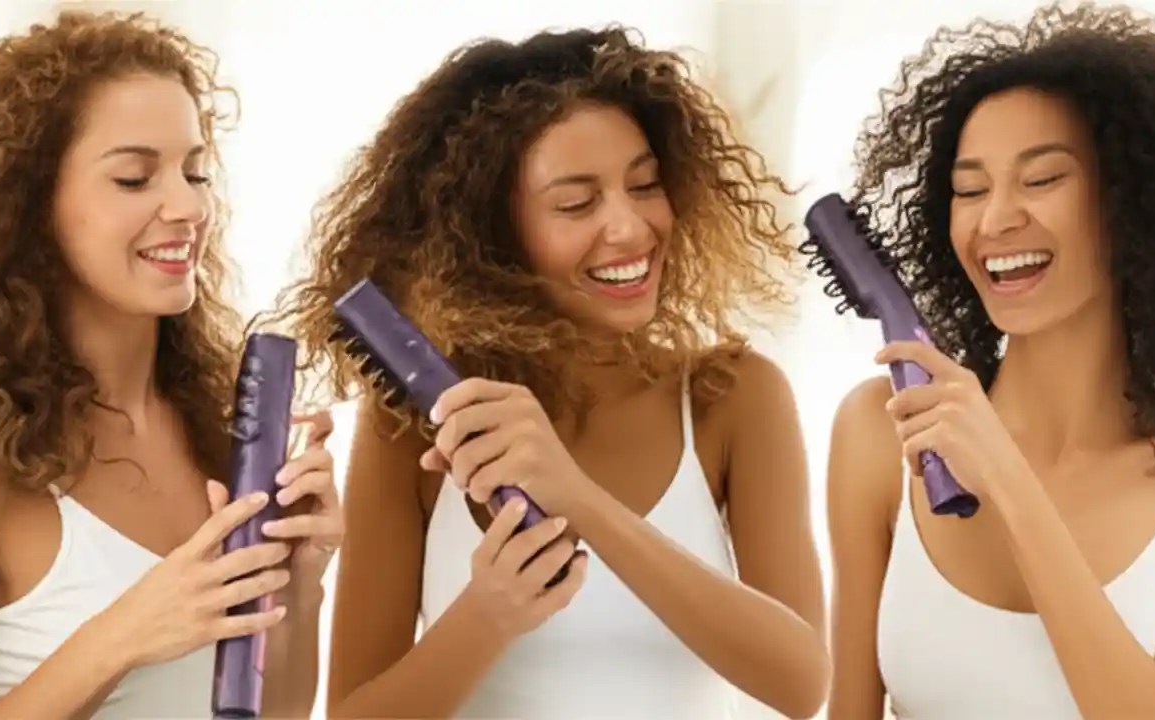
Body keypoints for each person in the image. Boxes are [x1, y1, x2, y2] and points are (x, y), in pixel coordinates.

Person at [275, 26, 829, 720]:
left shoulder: (733, 398)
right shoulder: (415, 430)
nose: (629, 227)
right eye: (576, 203)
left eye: (645, 185)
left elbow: (802, 684)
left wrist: (581, 501)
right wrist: (487, 616)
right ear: (493, 236)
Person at [0, 11, 342, 719]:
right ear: (30, 207)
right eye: (133, 178)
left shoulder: (216, 433)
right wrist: (121, 636)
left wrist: (302, 587)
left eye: (195, 171)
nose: (186, 206)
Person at [826, 4, 1155, 719]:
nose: (994, 219)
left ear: (1138, 205)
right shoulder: (879, 434)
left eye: (1042, 180)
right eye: (970, 190)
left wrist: (1009, 481)